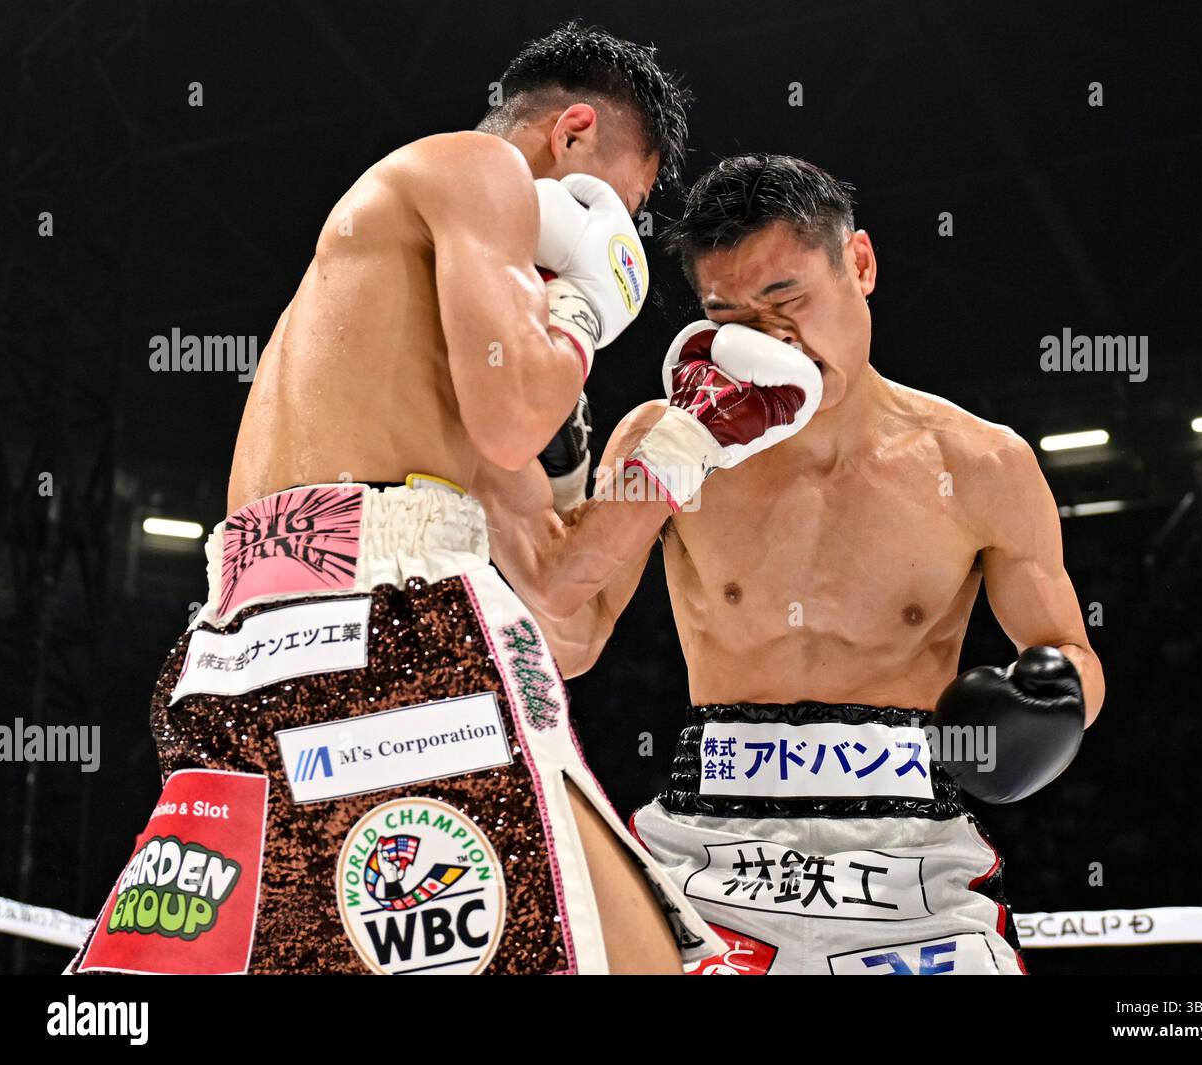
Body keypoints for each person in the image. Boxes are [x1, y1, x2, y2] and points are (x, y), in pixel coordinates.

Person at [68, 25, 812, 977]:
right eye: (618, 210)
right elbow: (510, 421)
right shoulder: (475, 167)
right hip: (395, 632)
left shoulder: (422, 356)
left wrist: (679, 440)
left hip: (240, 654)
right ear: (571, 134)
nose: (608, 243)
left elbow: (561, 617)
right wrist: (584, 308)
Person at [563, 154, 1105, 974]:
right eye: (729, 313)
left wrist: (1054, 705)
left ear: (860, 264)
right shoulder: (663, 441)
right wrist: (573, 490)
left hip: (912, 874)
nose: (767, 337)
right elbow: (569, 640)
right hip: (712, 862)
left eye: (787, 298)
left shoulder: (981, 463)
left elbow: (1071, 650)